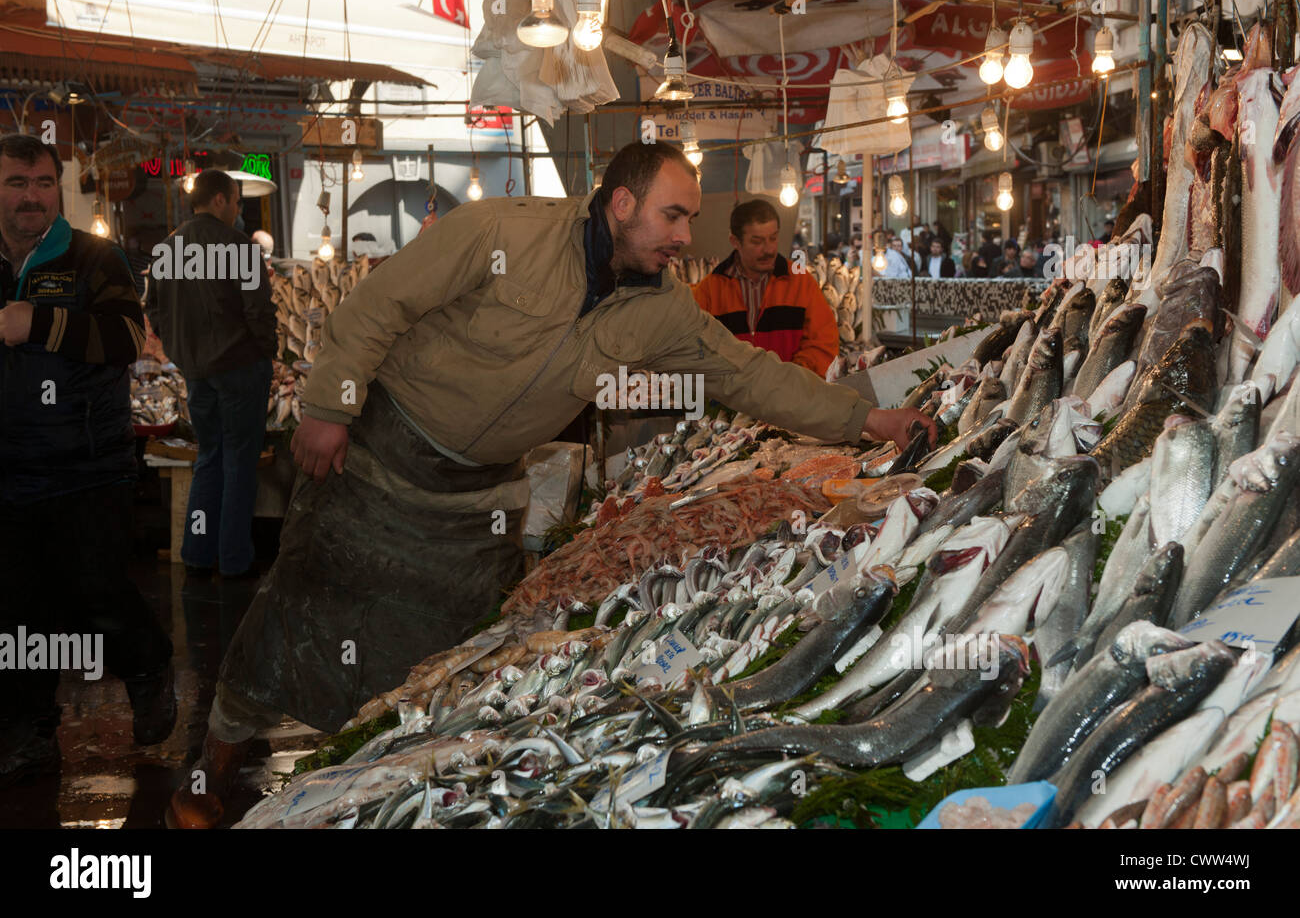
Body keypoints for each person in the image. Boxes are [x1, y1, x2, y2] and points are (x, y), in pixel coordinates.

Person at [167, 141, 936, 827]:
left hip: (475, 504)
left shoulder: (663, 307)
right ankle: (214, 763)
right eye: (673, 216)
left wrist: (868, 422)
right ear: (622, 203)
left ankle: (374, 796)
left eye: (691, 220)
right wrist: (331, 404)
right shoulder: (503, 231)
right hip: (374, 459)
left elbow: (748, 376)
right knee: (287, 622)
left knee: (445, 668)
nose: (684, 238)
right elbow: (380, 303)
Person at [0, 133, 175, 785]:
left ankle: (148, 664)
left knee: (93, 591)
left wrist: (39, 324)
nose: (31, 196)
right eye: (17, 183)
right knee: (17, 610)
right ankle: (29, 731)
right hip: (8, 470)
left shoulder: (92, 256)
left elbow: (130, 337)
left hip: (86, 465)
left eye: (43, 183)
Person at [146, 170, 277, 581]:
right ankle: (235, 560)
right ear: (219, 199)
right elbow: (259, 312)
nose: (239, 210)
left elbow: (155, 312)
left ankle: (198, 554)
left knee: (209, 459)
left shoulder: (166, 250)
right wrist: (267, 355)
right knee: (239, 463)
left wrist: (182, 353)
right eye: (237, 201)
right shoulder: (241, 247)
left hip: (197, 371)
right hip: (240, 368)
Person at [692, 200, 839, 377]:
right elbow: (696, 349)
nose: (768, 249)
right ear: (735, 241)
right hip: (730, 400)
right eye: (757, 241)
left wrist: (791, 378)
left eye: (773, 238)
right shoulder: (710, 290)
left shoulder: (801, 282)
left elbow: (823, 341)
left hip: (791, 396)